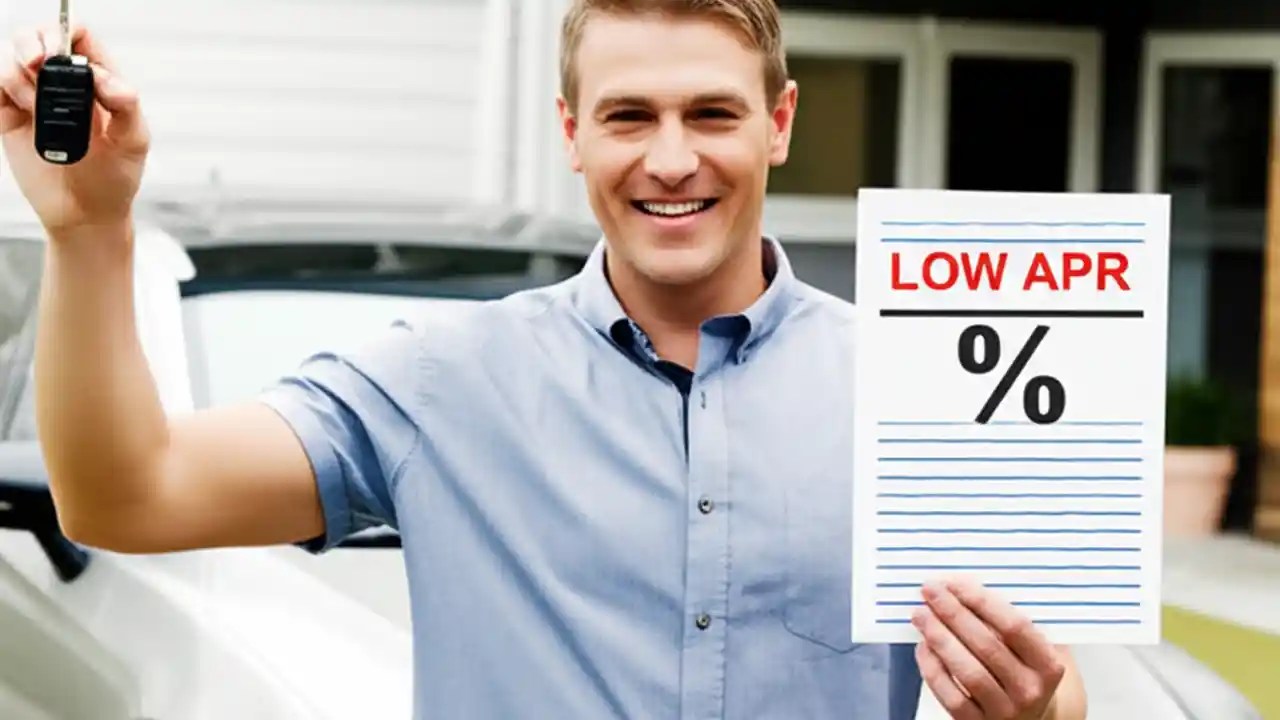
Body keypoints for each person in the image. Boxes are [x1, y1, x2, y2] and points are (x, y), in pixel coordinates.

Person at [0, 1, 1088, 718]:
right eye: (629, 117)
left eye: (712, 113)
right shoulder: (437, 383)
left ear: (779, 123)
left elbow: (1058, 684)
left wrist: (1034, 708)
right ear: (571, 132)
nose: (672, 158)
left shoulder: (924, 385)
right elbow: (123, 495)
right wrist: (90, 232)